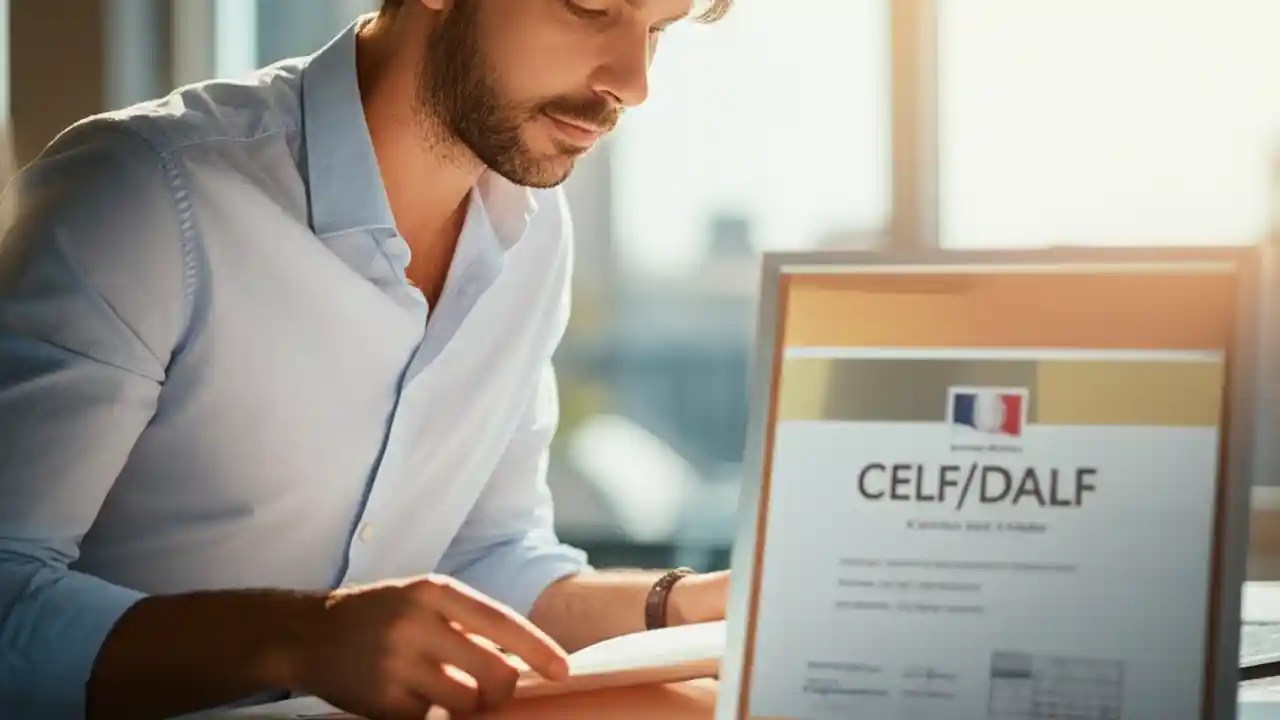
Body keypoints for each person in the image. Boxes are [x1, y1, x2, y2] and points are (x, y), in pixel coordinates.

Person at [0, 1, 733, 718]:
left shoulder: (532, 229)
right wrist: (302, 638)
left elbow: (485, 557)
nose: (634, 83)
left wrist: (678, 607)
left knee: (716, 704)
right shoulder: (142, 194)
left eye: (659, 29)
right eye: (592, 9)